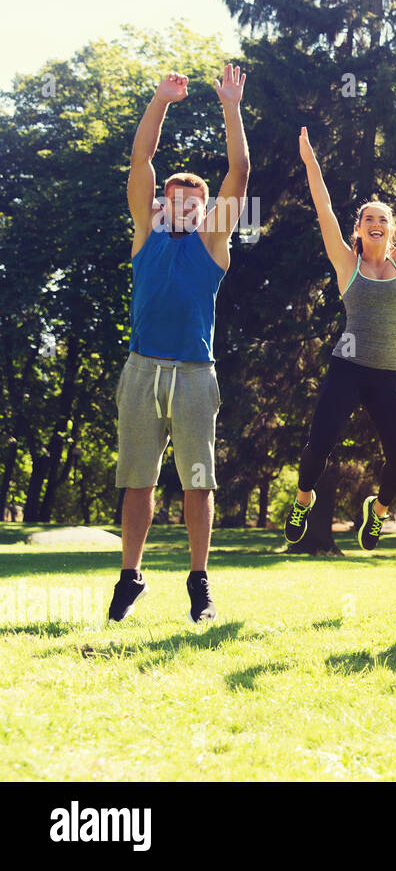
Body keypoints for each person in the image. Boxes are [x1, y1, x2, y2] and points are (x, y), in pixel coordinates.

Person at [109, 65, 249, 623]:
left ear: (206, 209)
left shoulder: (213, 243)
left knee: (198, 481)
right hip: (142, 371)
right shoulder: (146, 235)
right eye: (174, 199)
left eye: (195, 201)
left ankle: (199, 582)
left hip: (194, 374)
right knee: (137, 482)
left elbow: (239, 168)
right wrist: (161, 101)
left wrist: (230, 105)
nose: (183, 207)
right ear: (162, 204)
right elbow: (141, 159)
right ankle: (130, 577)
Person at [283, 129, 396, 550]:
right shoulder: (345, 262)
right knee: (320, 442)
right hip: (347, 368)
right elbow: (324, 208)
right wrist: (311, 163)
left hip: (388, 375)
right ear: (359, 228)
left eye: (383, 219)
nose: (376, 224)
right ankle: (302, 500)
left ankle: (378, 513)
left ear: (392, 230)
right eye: (369, 218)